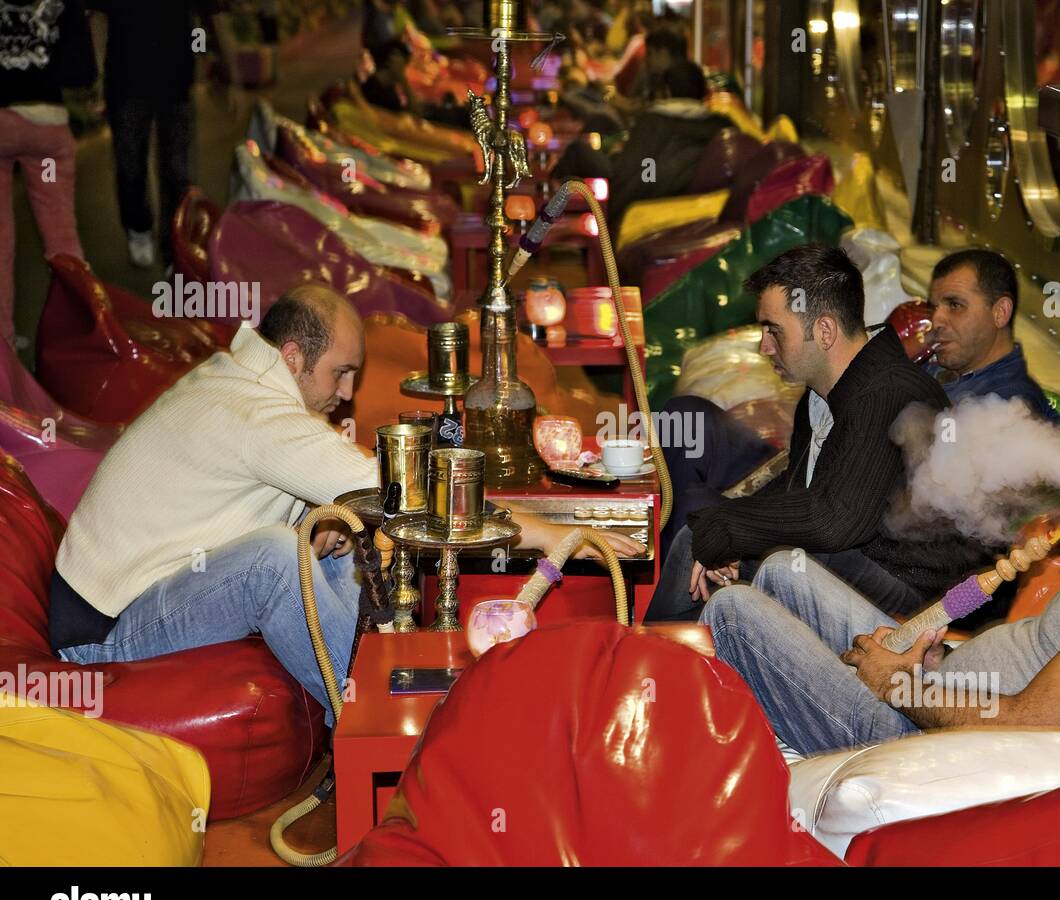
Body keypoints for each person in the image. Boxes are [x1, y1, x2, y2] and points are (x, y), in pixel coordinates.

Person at [48, 286, 642, 723]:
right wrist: (548, 533)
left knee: (335, 543)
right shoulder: (256, 414)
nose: (348, 393)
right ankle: (380, 721)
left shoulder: (241, 383)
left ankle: (389, 678)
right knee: (276, 560)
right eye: (341, 373)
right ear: (291, 357)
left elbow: (337, 485)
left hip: (145, 595)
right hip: (102, 639)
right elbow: (398, 491)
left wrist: (316, 520)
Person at [701, 393, 1060, 755]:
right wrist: (935, 662)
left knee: (734, 610)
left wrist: (895, 685)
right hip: (938, 686)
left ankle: (767, 743)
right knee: (783, 569)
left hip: (915, 734)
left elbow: (1027, 725)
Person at [645, 244, 983, 623]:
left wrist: (732, 527)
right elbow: (801, 491)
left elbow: (835, 520)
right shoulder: (819, 396)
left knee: (722, 541)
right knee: (702, 522)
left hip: (917, 594)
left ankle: (654, 660)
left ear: (824, 330)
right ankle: (674, 651)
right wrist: (728, 525)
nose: (763, 346)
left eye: (774, 330)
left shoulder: (890, 392)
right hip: (856, 557)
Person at [89, 0, 246, 268]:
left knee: (177, 171)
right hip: (124, 83)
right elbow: (99, 18)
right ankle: (138, 227)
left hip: (176, 82)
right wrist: (100, 76)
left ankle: (173, 247)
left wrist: (229, 75)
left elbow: (212, 16)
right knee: (130, 165)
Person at [0, 0, 95, 349]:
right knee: (60, 231)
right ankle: (83, 335)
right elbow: (83, 71)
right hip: (44, 137)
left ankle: (3, 344)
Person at [925, 248, 1059, 425]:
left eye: (955, 305)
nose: (936, 321)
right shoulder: (948, 368)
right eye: (933, 308)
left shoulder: (1010, 410)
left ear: (1000, 312)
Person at [605, 60, 731, 239]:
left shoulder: (654, 123)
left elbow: (642, 174)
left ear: (667, 91)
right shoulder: (722, 125)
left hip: (652, 214)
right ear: (704, 93)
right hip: (709, 215)